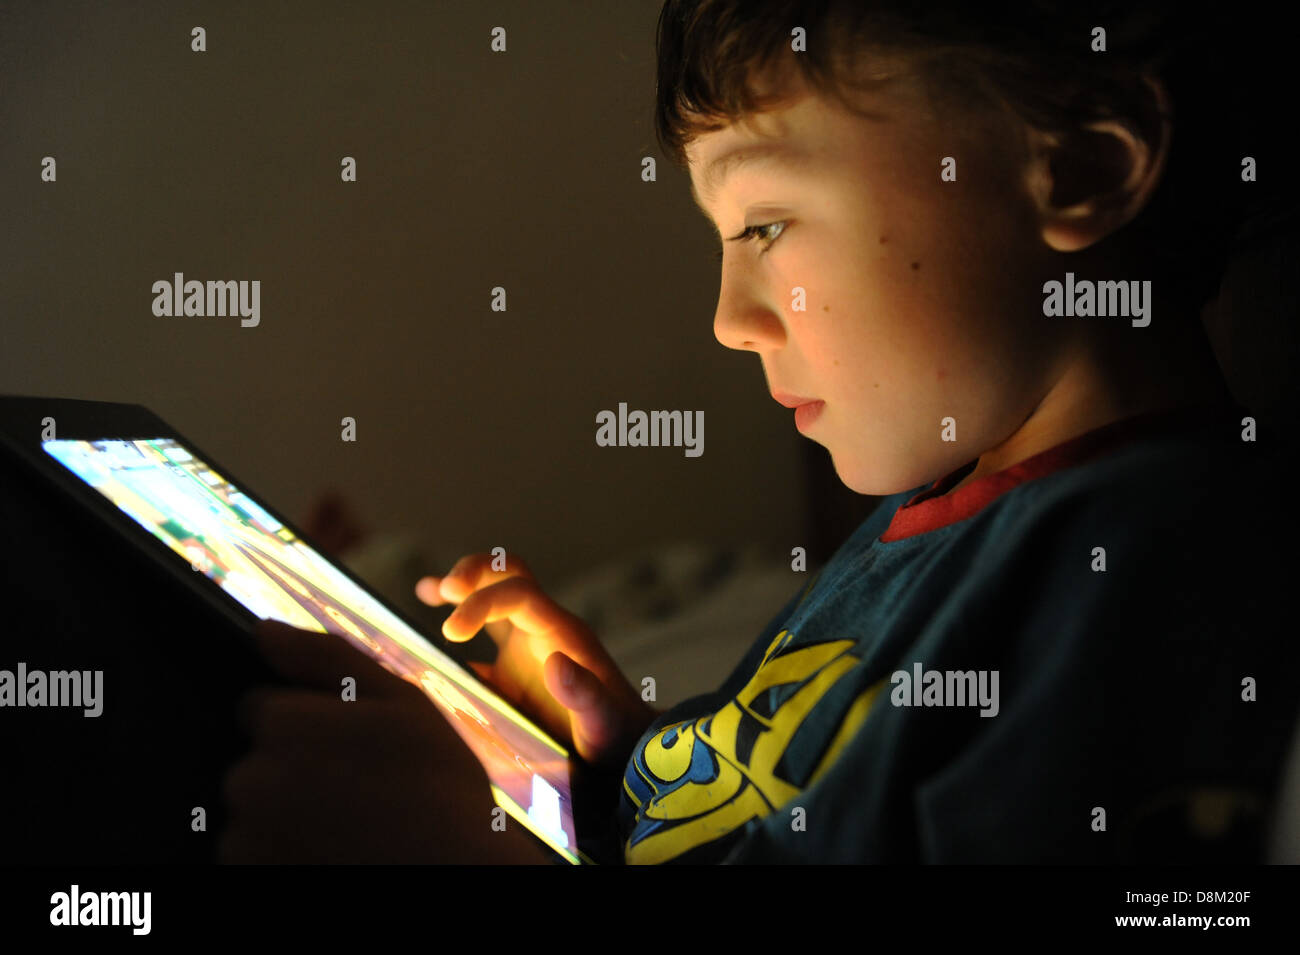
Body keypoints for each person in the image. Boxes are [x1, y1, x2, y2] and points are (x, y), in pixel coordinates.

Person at [218, 1, 1298, 864]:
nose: (732, 320)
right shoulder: (933, 516)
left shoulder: (1152, 560)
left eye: (767, 225)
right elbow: (775, 804)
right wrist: (621, 749)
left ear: (1084, 169)